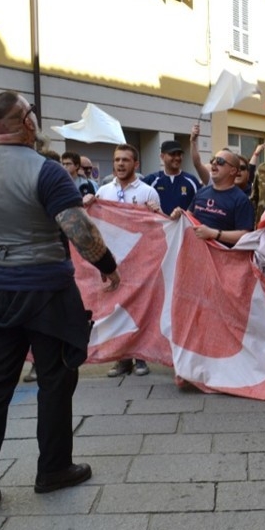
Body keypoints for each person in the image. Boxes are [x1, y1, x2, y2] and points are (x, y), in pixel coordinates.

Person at [0, 90, 120, 507]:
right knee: (55, 379)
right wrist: (107, 266)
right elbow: (78, 228)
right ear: (27, 122)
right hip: (46, 291)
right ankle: (53, 468)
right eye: (32, 113)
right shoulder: (48, 172)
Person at [87, 143, 161, 377]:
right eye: (117, 160)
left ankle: (141, 356)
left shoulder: (148, 191)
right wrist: (89, 203)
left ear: (135, 164)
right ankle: (121, 358)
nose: (120, 164)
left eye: (125, 160)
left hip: (139, 260)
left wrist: (155, 212)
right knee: (114, 308)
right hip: (112, 260)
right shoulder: (103, 192)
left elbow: (159, 229)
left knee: (139, 307)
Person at [171, 149, 254, 247]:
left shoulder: (241, 199)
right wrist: (179, 214)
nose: (214, 163)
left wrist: (213, 234)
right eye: (213, 160)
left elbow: (245, 235)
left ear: (232, 171)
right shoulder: (201, 192)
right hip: (196, 255)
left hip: (222, 259)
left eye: (220, 161)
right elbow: (188, 218)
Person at [143, 140, 201, 216]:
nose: (177, 158)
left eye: (179, 154)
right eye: (172, 154)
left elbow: (200, 206)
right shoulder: (152, 180)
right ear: (162, 156)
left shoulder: (191, 181)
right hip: (160, 226)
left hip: (184, 227)